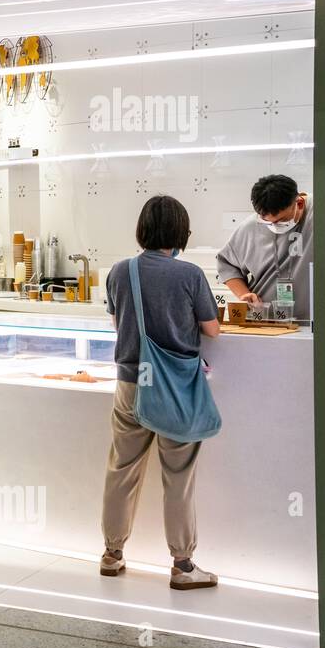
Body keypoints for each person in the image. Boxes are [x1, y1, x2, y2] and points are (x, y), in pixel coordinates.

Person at [101, 196, 221, 590]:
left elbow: (118, 323)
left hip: (131, 384)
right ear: (180, 233)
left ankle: (112, 554)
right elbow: (212, 330)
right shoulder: (189, 275)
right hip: (173, 388)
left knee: (122, 470)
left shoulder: (120, 271)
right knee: (178, 475)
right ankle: (183, 566)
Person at [216, 174, 314, 321]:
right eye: (267, 222)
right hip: (264, 320)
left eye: (281, 221)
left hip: (312, 323)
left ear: (299, 203)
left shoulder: (322, 211)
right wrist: (244, 295)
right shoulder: (250, 226)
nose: (274, 226)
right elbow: (226, 263)